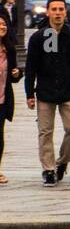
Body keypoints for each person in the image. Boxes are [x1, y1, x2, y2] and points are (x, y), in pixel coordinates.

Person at [24, 0, 70, 185]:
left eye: (61, 9)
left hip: (67, 90)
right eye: (54, 9)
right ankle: (48, 169)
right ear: (48, 12)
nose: (57, 13)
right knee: (45, 131)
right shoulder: (41, 37)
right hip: (45, 92)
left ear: (66, 12)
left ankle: (62, 162)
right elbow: (32, 67)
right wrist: (29, 93)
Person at [0, 14, 21, 185]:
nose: (2, 27)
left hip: (2, 98)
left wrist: (17, 74)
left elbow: (14, 76)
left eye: (4, 25)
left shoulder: (10, 49)